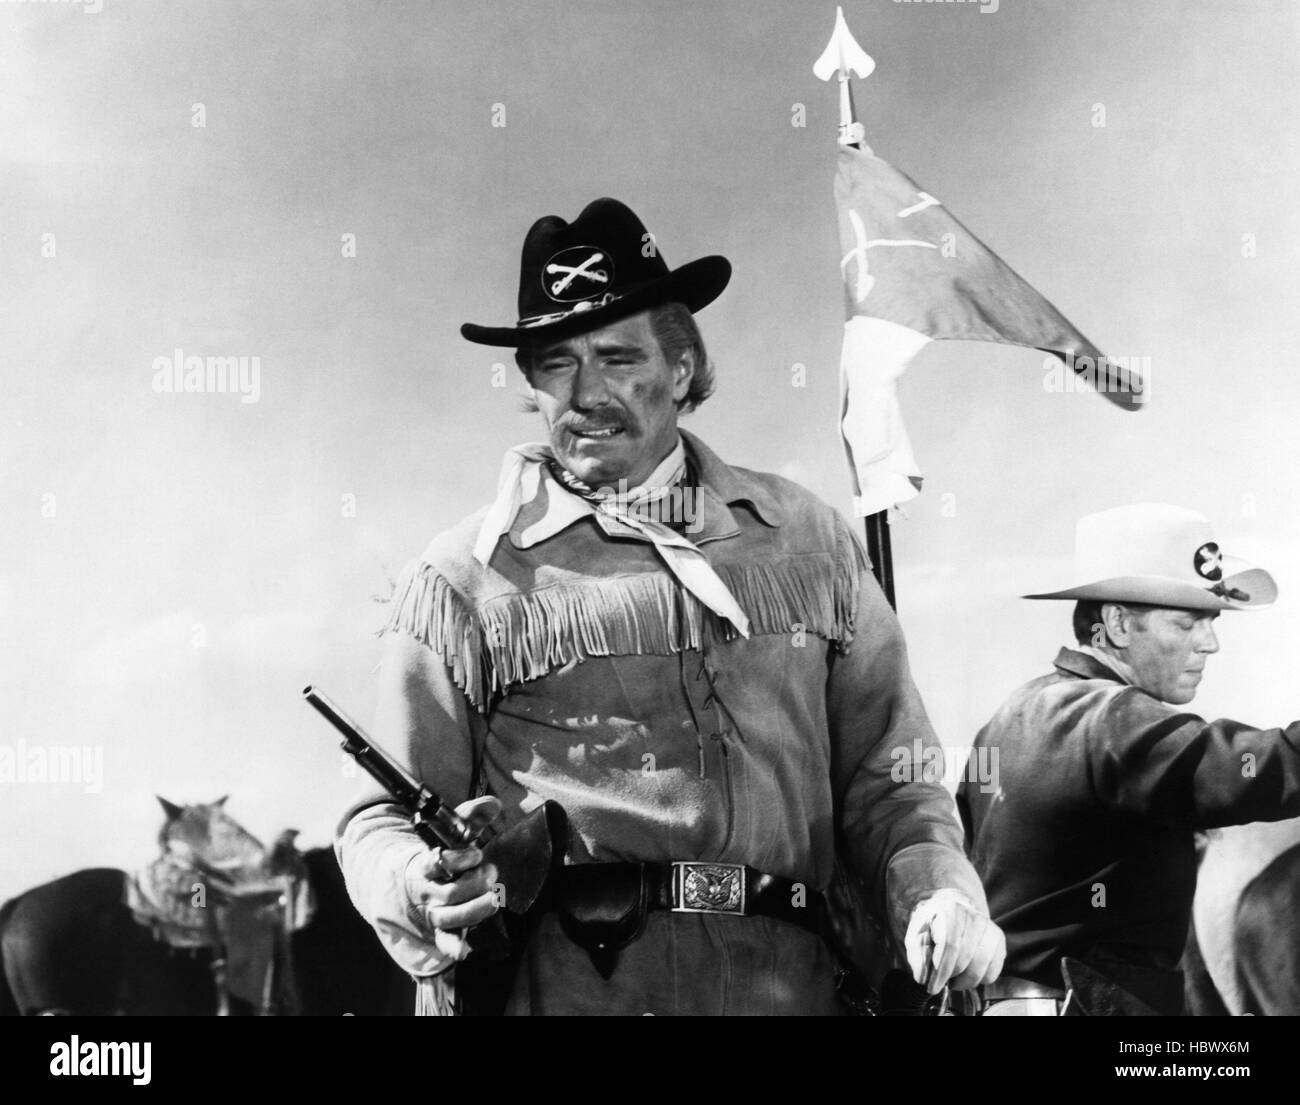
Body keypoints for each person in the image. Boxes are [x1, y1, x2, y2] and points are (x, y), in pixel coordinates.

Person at [336, 197, 1004, 1015]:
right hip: (577, 988)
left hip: (793, 988)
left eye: (618, 357)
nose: (586, 392)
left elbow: (891, 778)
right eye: (555, 363)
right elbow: (382, 816)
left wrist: (937, 892)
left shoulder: (806, 543)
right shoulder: (461, 582)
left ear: (681, 369)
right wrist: (419, 883)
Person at [959, 503, 1300, 1015]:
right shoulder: (1112, 718)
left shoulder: (1008, 717)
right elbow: (1260, 769)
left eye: (1211, 621)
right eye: (1188, 623)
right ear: (1118, 624)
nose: (1210, 643)